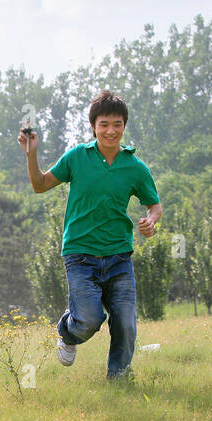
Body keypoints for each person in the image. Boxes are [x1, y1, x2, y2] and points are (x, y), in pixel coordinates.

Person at [20, 90, 163, 380]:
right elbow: (39, 185)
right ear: (93, 126)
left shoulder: (134, 167)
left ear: (124, 126)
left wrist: (151, 219)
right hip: (80, 255)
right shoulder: (77, 157)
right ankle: (67, 332)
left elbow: (155, 204)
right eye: (104, 124)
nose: (111, 131)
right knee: (89, 319)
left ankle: (119, 379)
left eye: (117, 124)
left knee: (125, 323)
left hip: (119, 255)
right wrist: (32, 155)